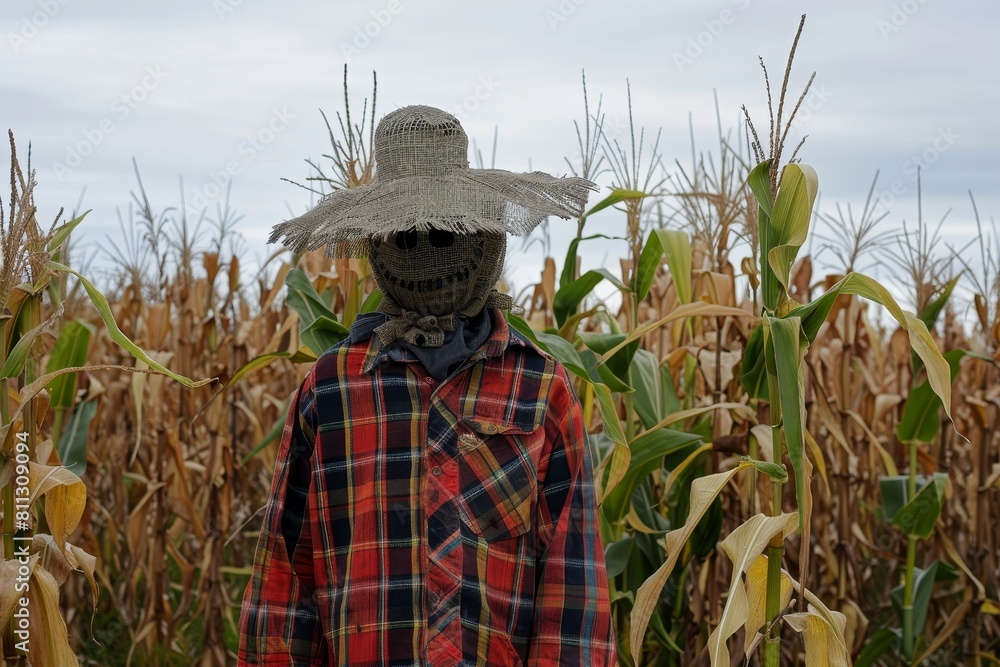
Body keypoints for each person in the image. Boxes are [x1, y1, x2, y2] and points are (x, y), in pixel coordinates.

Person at [238, 105, 616, 666]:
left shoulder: (541, 390)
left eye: (444, 232)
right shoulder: (332, 390)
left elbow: (574, 592)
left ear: (486, 237)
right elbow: (285, 584)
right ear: (376, 243)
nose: (425, 249)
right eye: (405, 235)